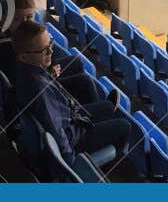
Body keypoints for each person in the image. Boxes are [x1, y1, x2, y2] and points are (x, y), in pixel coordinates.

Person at [9, 20, 135, 180]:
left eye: (51, 45)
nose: (51, 52)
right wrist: (70, 167)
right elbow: (57, 131)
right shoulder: (40, 90)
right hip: (73, 136)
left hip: (69, 118)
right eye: (44, 51)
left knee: (107, 107)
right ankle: (105, 171)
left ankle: (98, 127)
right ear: (24, 56)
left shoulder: (28, 71)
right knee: (124, 126)